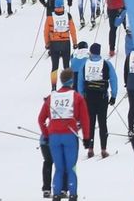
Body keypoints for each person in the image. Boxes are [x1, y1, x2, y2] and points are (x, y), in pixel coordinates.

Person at [38, 69, 91, 201]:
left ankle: (56, 194)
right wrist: (86, 138)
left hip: (54, 137)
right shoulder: (77, 97)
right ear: (72, 81)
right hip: (69, 135)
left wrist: (46, 134)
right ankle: (72, 195)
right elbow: (85, 119)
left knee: (59, 168)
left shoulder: (52, 97)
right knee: (70, 168)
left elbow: (40, 119)